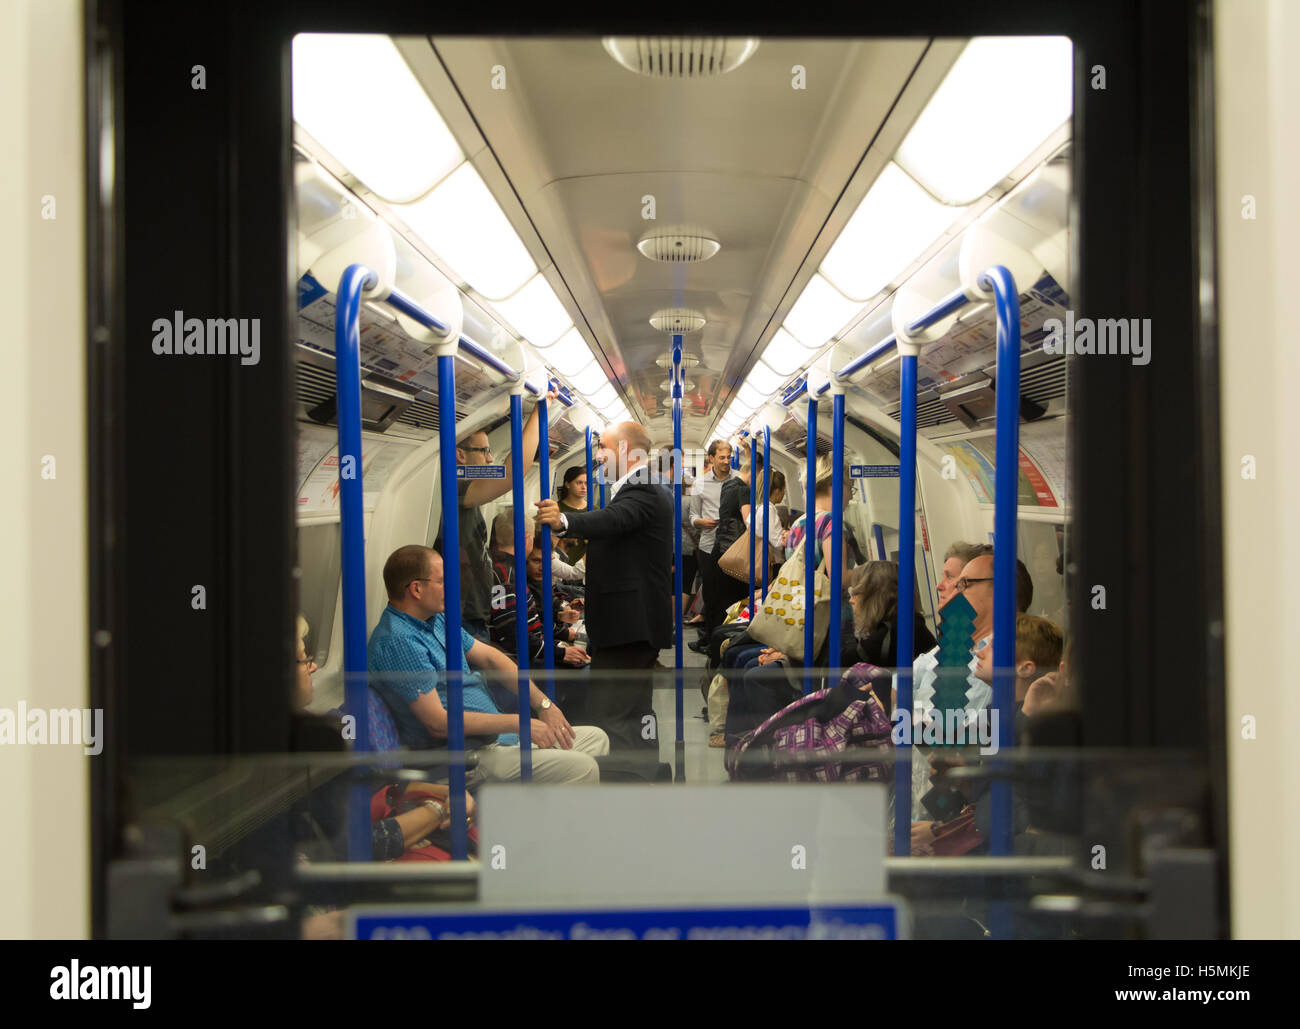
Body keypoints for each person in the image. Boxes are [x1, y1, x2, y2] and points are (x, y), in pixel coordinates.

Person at [368, 545, 609, 784]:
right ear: (417, 589)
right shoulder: (399, 641)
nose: (451, 586)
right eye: (442, 581)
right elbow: (438, 724)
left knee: (596, 739)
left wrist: (544, 705)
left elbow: (491, 659)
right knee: (583, 768)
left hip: (497, 738)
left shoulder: (436, 620)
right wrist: (519, 723)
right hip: (465, 756)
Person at [535, 421, 673, 751]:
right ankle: (643, 768)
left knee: (612, 714)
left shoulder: (643, 487)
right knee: (635, 708)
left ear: (624, 449)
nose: (598, 457)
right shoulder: (641, 487)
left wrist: (563, 521)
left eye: (603, 448)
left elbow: (613, 520)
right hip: (630, 620)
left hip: (628, 623)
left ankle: (624, 780)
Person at [435, 390, 556, 641]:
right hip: (462, 615)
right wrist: (537, 411)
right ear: (460, 454)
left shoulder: (468, 488)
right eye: (484, 451)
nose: (490, 458)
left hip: (473, 610)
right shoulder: (456, 485)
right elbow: (512, 473)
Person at [487, 513, 589, 671]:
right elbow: (512, 634)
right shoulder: (506, 577)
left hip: (536, 650)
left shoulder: (505, 570)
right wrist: (559, 652)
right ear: (527, 539)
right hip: (525, 661)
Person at [687, 439, 733, 649]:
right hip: (708, 544)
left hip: (733, 546)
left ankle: (725, 640)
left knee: (730, 595)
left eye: (728, 457)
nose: (726, 461)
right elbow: (692, 515)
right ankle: (711, 639)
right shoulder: (700, 484)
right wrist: (700, 522)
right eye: (721, 457)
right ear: (711, 458)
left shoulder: (739, 481)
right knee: (711, 596)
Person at [555, 466, 589, 564]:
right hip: (561, 566)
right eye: (579, 483)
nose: (584, 487)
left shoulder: (594, 510)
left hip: (587, 567)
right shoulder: (556, 509)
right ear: (567, 484)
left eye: (586, 483)